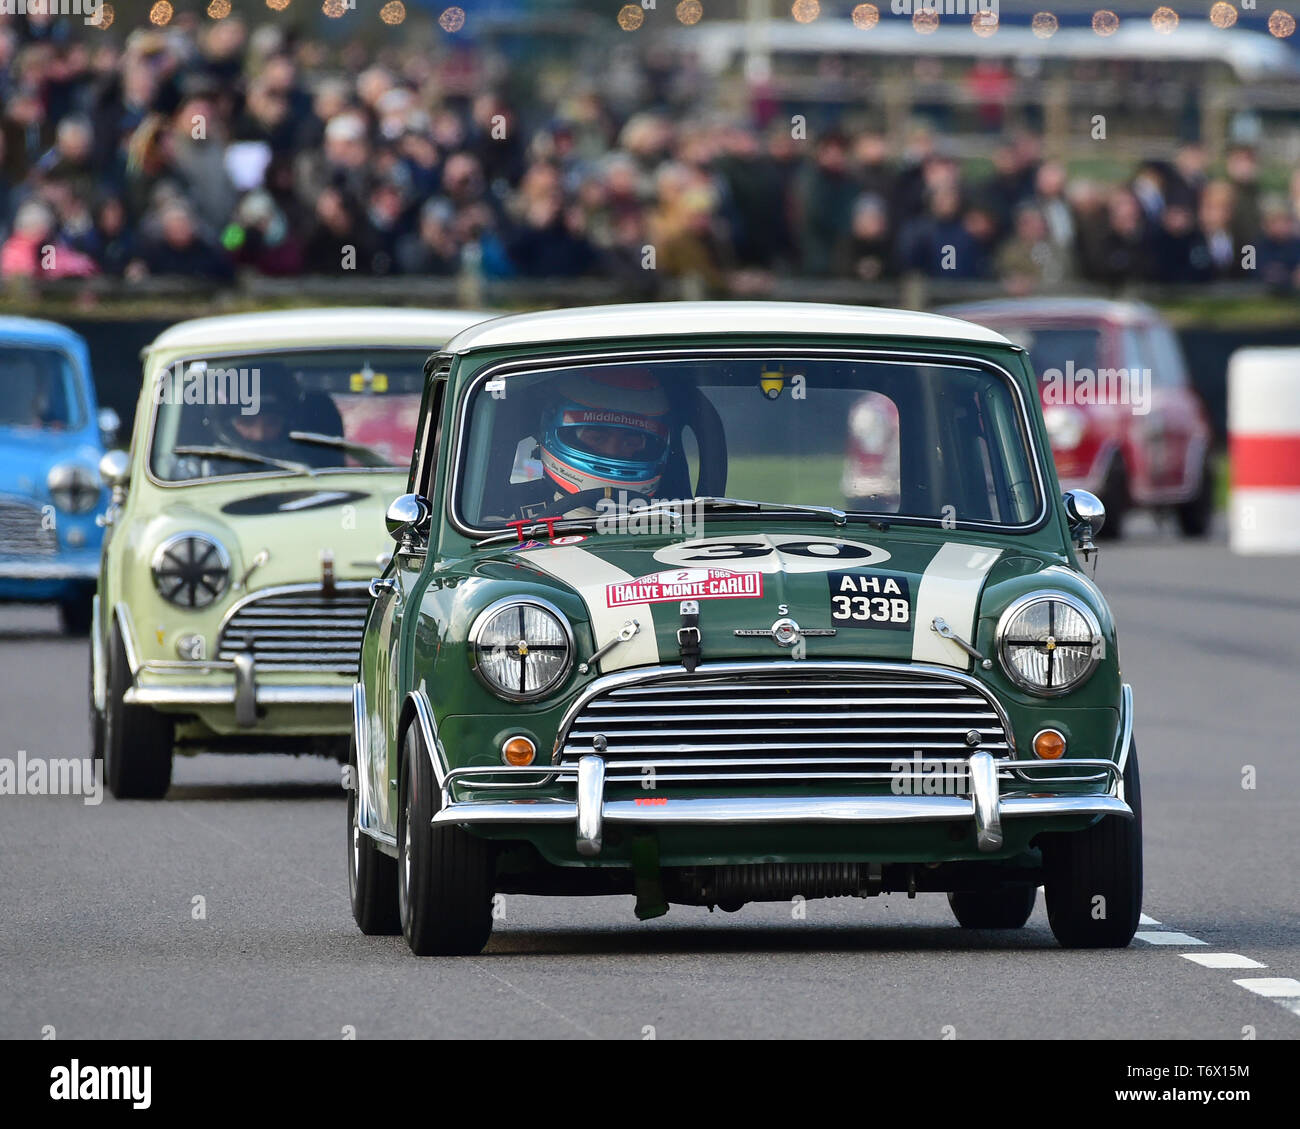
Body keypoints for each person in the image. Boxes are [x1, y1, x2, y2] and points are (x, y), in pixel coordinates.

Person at [529, 368, 673, 519]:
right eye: (597, 438)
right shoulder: (507, 518)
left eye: (631, 443)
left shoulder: (680, 517)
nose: (612, 451)